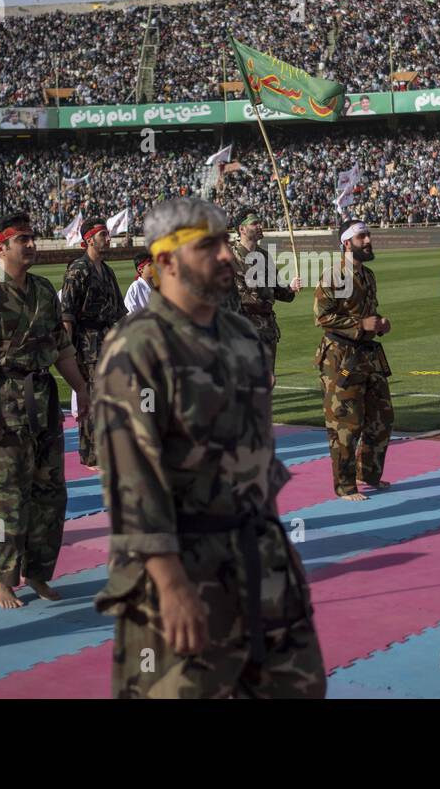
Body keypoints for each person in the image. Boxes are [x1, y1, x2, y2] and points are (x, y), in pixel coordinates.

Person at [92, 197, 325, 698]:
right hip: (183, 570)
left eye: (225, 242)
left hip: (260, 559)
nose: (226, 255)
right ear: (167, 262)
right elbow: (131, 483)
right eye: (208, 245)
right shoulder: (136, 349)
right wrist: (172, 586)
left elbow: (257, 459)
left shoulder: (240, 337)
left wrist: (277, 551)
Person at [0, 213, 90, 610]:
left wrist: (83, 390)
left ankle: (38, 571)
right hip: (2, 401)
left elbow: (62, 348)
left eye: (32, 238)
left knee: (50, 493)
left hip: (42, 400)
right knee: (8, 496)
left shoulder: (45, 291)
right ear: (0, 248)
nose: (31, 245)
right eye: (23, 240)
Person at [315, 219, 394, 501]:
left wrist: (380, 323)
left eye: (369, 235)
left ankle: (368, 473)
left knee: (382, 417)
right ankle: (346, 485)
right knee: (346, 424)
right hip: (340, 357)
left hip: (368, 355)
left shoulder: (368, 275)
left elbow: (369, 311)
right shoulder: (333, 275)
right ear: (347, 243)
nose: (368, 240)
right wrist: (362, 324)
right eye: (362, 237)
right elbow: (323, 317)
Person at [59, 217, 125, 468]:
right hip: (86, 343)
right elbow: (67, 313)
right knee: (91, 398)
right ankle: (90, 454)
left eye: (108, 235)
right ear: (89, 240)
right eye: (103, 235)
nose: (108, 239)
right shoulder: (78, 269)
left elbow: (119, 311)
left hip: (107, 341)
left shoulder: (107, 271)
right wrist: (68, 349)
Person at [224, 209, 301, 377]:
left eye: (260, 222)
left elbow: (280, 292)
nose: (260, 225)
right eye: (254, 223)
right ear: (242, 229)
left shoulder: (264, 257)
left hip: (266, 330)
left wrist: (291, 287)